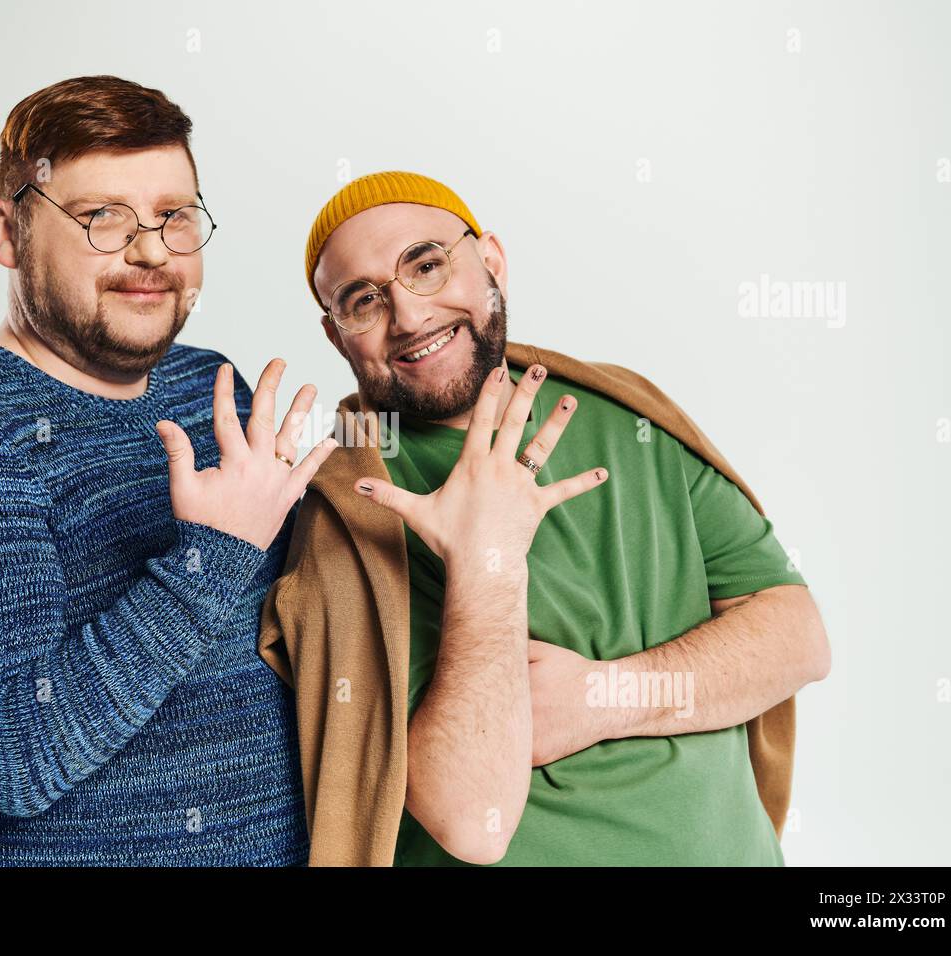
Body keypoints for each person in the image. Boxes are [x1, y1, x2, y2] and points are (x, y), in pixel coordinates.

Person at [259, 170, 831, 865]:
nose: (408, 316)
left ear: (492, 261)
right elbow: (471, 820)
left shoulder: (627, 414)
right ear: (336, 335)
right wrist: (487, 564)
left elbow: (798, 638)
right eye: (364, 301)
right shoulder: (349, 505)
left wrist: (602, 696)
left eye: (427, 265)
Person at [0, 75, 335, 865]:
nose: (150, 251)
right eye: (101, 218)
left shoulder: (211, 388)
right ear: (7, 233)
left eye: (174, 217)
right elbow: (12, 759)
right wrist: (214, 556)